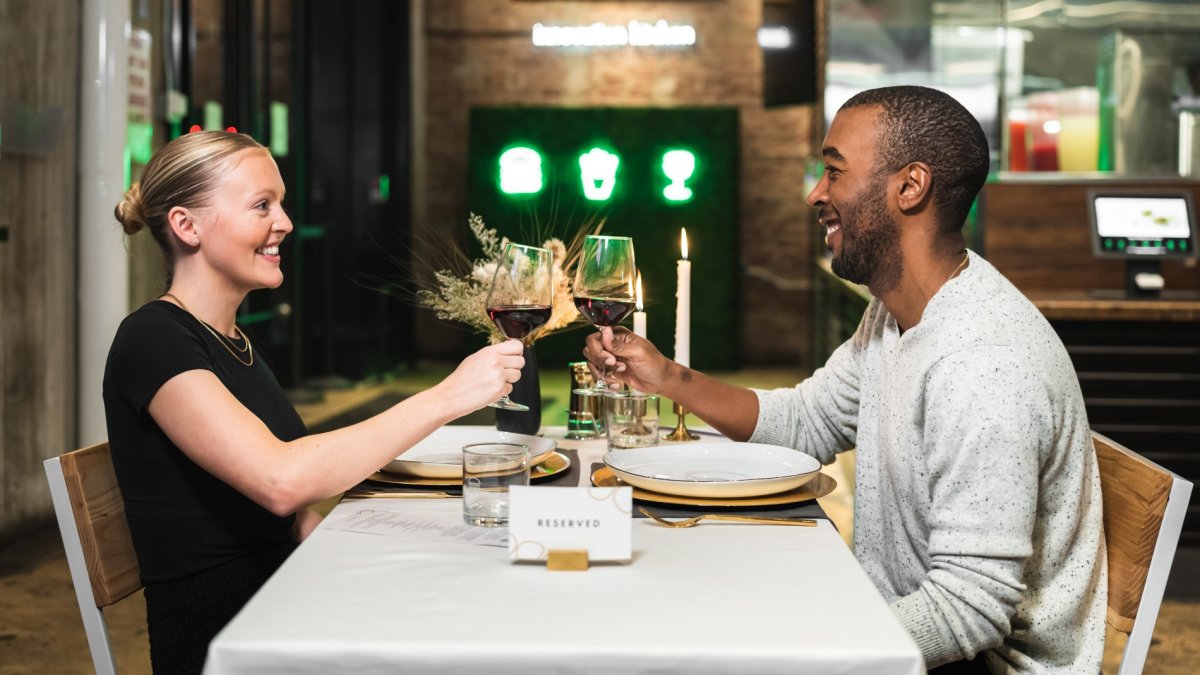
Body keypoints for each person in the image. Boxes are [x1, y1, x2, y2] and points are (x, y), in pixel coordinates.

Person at [583, 86, 1106, 674]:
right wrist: (668, 377)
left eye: (834, 172)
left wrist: (795, 646)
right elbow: (806, 423)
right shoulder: (898, 312)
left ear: (910, 187)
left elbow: (970, 610)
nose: (815, 194)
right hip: (898, 622)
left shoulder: (983, 362)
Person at [104, 130, 525, 674]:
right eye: (262, 205)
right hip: (231, 637)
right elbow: (282, 483)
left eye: (280, 203)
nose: (285, 223)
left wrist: (407, 560)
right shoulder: (153, 339)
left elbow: (294, 519)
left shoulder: (233, 341)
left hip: (290, 605)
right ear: (187, 226)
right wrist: (447, 397)